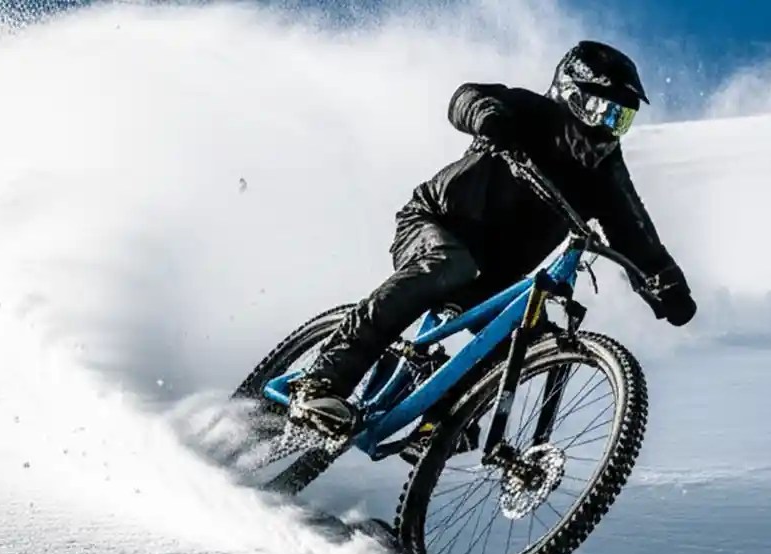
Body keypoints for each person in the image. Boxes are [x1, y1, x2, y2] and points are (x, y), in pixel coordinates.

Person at [290, 40, 696, 436]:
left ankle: (439, 426)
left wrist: (668, 287)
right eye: (600, 110)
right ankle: (321, 382)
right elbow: (465, 98)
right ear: (570, 94)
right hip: (435, 224)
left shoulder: (606, 174)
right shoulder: (528, 111)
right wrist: (489, 118)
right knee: (449, 264)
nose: (607, 128)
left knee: (527, 335)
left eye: (620, 119)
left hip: (489, 278)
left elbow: (636, 235)